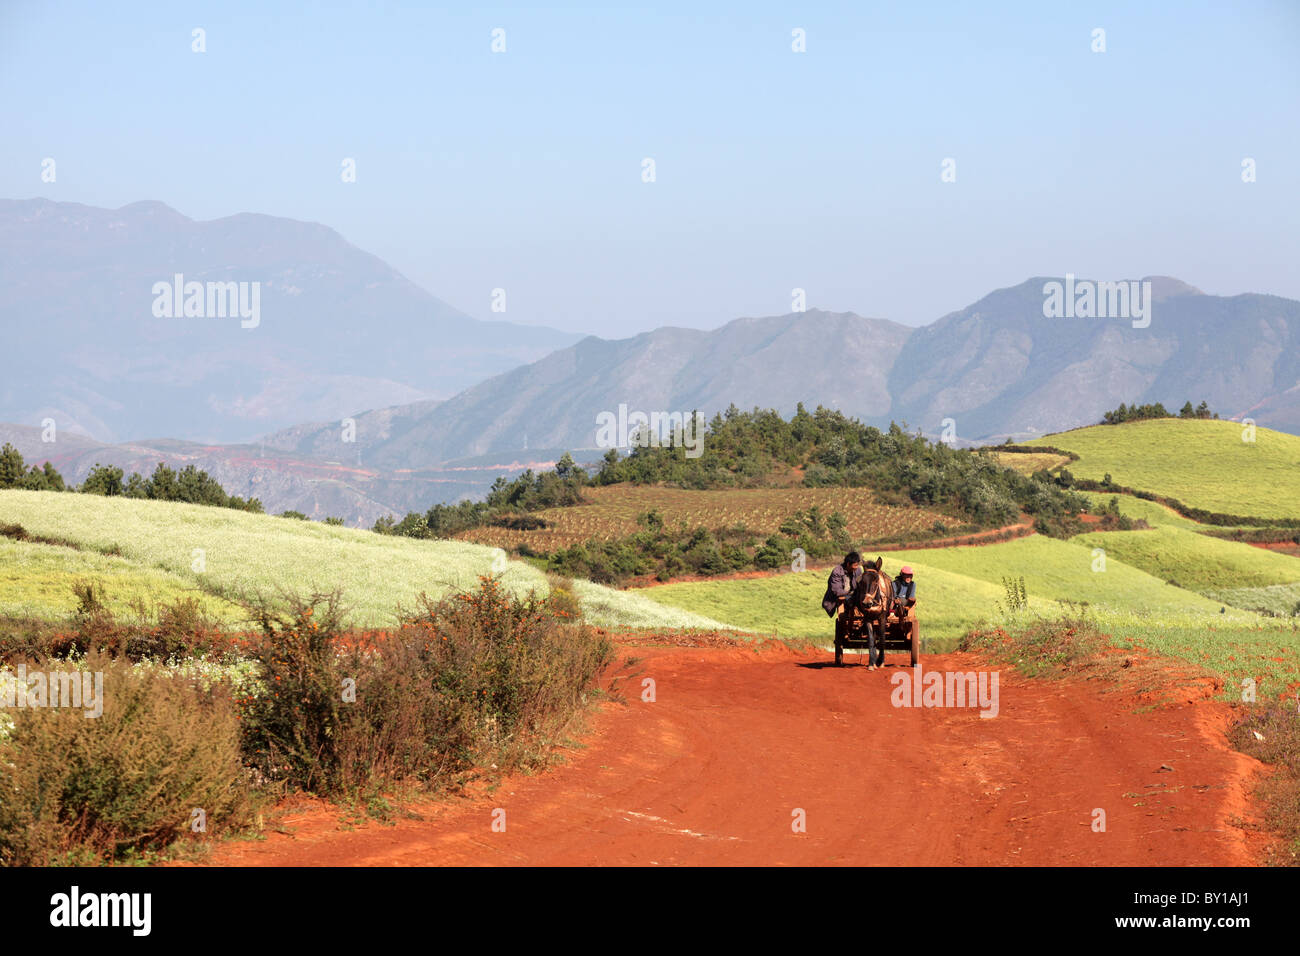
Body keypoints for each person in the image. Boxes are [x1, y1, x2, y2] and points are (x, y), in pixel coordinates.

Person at [822, 551, 864, 645]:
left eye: (858, 565)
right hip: (842, 597)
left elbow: (861, 584)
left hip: (855, 595)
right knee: (847, 602)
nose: (856, 567)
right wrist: (850, 594)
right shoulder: (837, 571)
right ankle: (846, 629)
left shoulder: (858, 570)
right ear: (848, 564)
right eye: (855, 565)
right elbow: (836, 590)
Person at [891, 564, 919, 649]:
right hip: (895, 605)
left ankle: (909, 631)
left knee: (912, 602)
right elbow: (894, 596)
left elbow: (911, 596)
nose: (908, 577)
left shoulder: (913, 584)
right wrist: (896, 600)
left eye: (910, 576)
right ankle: (897, 612)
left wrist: (909, 602)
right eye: (906, 575)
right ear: (902, 575)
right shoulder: (895, 583)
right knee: (896, 602)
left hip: (906, 605)